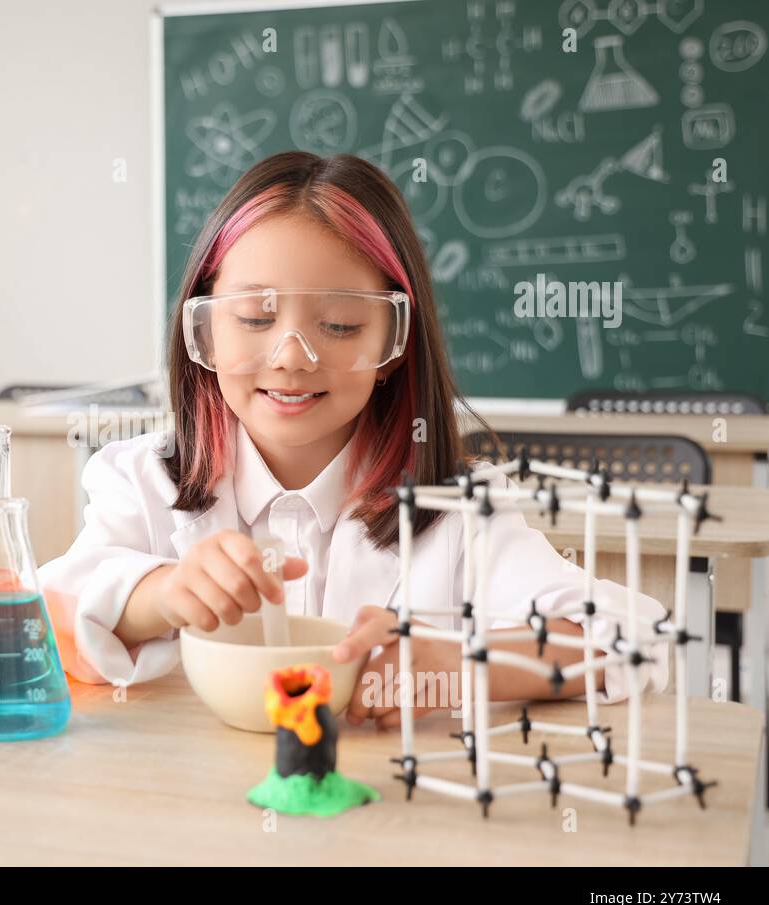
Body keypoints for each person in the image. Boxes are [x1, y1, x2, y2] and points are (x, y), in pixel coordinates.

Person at [39, 152, 667, 726]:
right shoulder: (144, 481)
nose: (290, 357)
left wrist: (457, 662)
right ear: (203, 329)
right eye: (255, 318)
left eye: (339, 325)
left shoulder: (453, 509)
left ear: (393, 345)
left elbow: (631, 640)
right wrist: (162, 594)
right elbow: (41, 618)